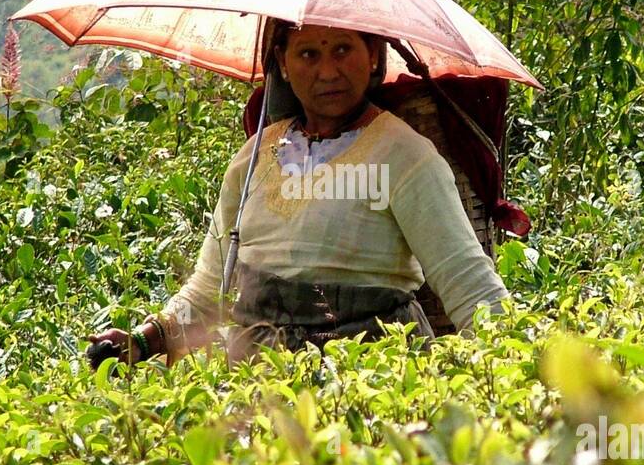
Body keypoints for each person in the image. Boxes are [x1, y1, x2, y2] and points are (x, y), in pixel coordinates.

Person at [87, 21, 510, 367]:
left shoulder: (405, 157)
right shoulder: (254, 157)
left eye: (343, 49)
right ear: (282, 64)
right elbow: (207, 289)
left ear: (375, 57)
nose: (327, 72)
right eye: (308, 54)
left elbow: (470, 287)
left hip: (365, 381)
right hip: (256, 383)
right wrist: (143, 340)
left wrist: (519, 368)